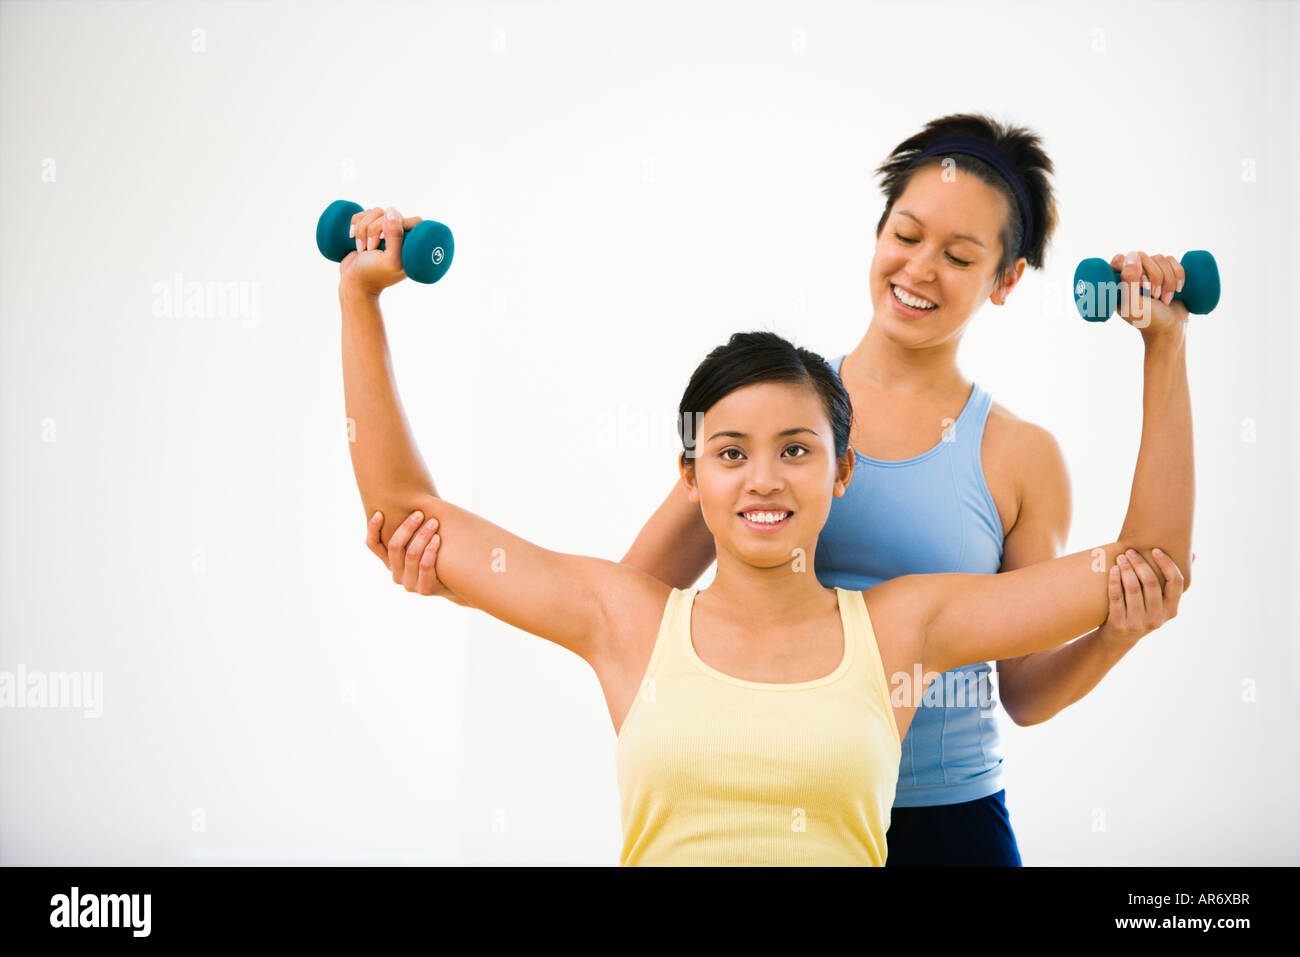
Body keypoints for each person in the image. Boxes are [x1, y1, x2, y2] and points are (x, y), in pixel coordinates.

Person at [365, 114, 1193, 865]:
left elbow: (1035, 677)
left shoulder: (1009, 466)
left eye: (960, 255)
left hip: (945, 814)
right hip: (761, 791)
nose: (921, 268)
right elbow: (633, 614)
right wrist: (446, 568)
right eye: (906, 234)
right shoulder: (775, 416)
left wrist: (1123, 619)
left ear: (1006, 279)